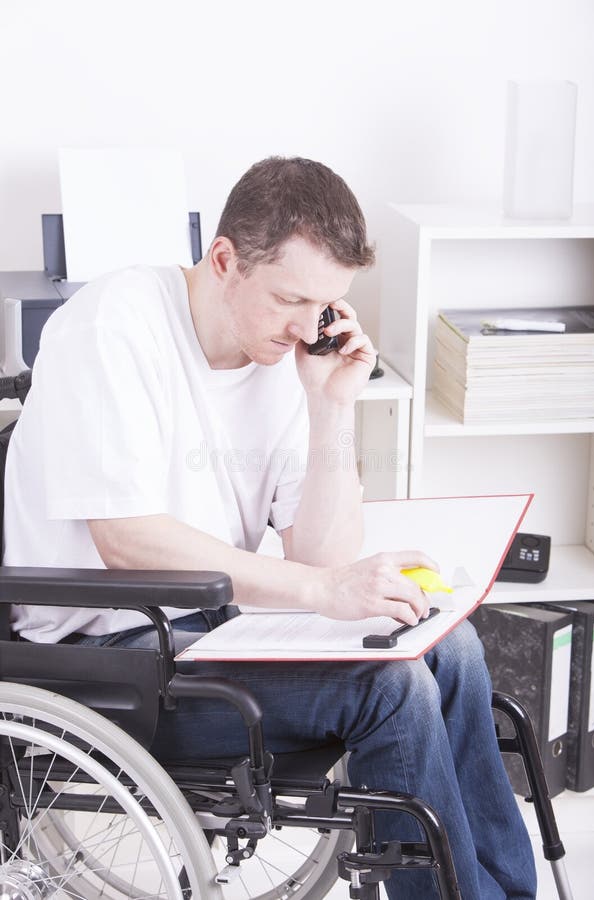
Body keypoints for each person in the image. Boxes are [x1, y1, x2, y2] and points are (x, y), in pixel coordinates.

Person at [3, 156, 536, 898]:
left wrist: (330, 404)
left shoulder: (284, 356)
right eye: (290, 299)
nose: (307, 327)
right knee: (393, 687)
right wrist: (322, 591)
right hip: (107, 660)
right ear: (225, 260)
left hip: (212, 630)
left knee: (455, 649)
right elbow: (127, 540)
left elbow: (323, 553)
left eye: (324, 304)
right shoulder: (111, 327)